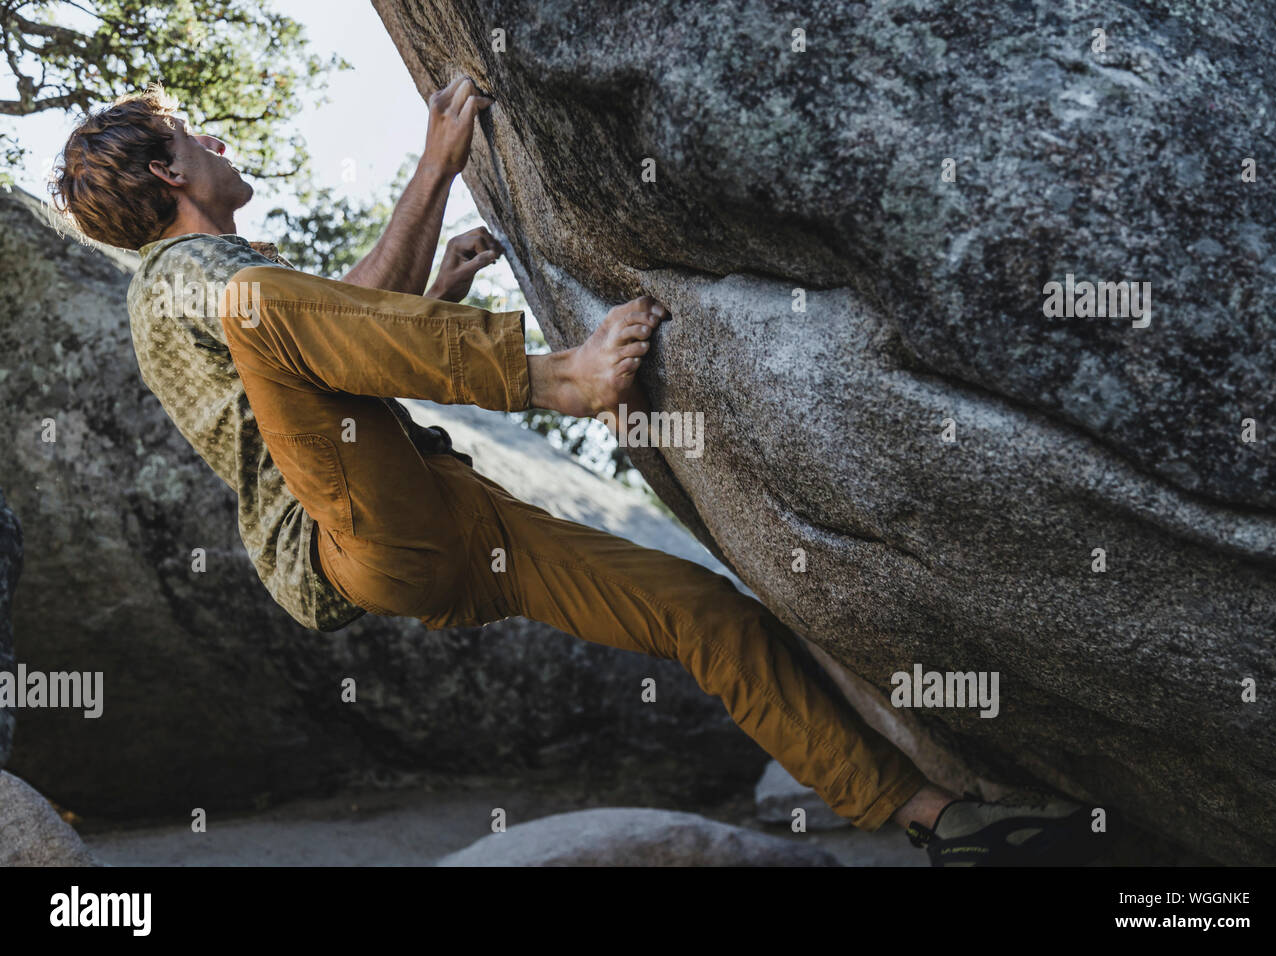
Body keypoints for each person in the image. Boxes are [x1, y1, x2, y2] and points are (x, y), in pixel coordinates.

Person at [49, 77, 1101, 866]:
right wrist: (433, 171)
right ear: (167, 173)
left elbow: (347, 322)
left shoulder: (237, 276)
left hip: (448, 519)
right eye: (197, 134)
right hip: (354, 535)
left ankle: (929, 815)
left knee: (702, 611)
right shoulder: (180, 276)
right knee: (263, 307)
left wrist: (440, 251)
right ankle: (563, 381)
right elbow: (293, 327)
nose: (219, 139)